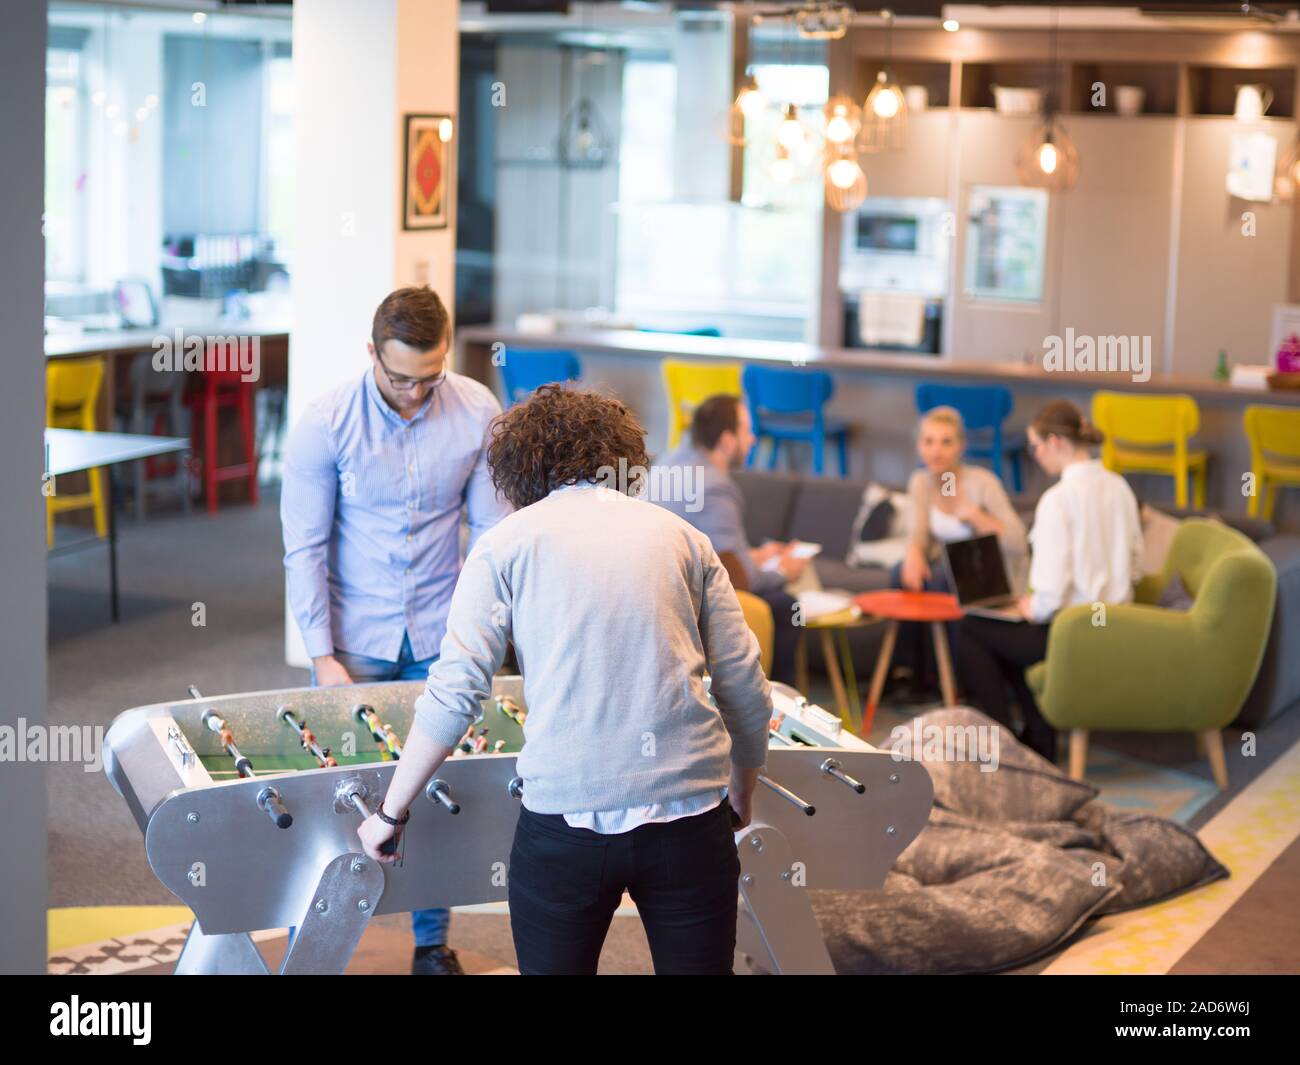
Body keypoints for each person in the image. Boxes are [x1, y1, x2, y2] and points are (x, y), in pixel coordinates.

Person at [357, 385, 772, 976]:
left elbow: (454, 694)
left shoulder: (503, 545)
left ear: (520, 469)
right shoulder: (684, 537)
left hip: (565, 826)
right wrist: (741, 788)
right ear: (624, 459)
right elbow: (745, 687)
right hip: (690, 819)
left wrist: (390, 815)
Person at [281, 285, 511, 975]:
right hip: (353, 637)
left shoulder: (476, 410)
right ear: (372, 354)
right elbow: (305, 549)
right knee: (334, 792)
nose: (415, 393)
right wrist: (322, 655)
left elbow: (492, 535)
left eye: (430, 377)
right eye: (401, 377)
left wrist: (483, 637)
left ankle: (430, 946)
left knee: (439, 794)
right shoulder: (324, 423)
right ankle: (313, 941)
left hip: (441, 635)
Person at [956, 399, 1143, 762]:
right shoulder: (1119, 486)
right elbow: (1136, 564)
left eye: (1035, 446)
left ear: (1055, 441)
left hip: (1070, 632)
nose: (1035, 455)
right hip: (1118, 628)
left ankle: (1005, 748)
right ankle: (1037, 738)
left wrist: (1032, 606)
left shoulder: (1057, 500)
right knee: (1009, 640)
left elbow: (1051, 592)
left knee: (972, 629)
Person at [653, 394, 809, 684]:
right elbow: (742, 579)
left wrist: (755, 555)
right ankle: (780, 704)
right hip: (690, 598)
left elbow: (711, 549)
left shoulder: (667, 461)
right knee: (786, 604)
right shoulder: (716, 486)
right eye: (747, 432)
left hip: (656, 587)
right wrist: (783, 570)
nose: (752, 440)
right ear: (727, 440)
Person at [893, 406, 1026, 695]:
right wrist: (913, 551)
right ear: (919, 446)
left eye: (945, 442)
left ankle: (954, 681)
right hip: (946, 569)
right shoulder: (921, 481)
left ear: (961, 446)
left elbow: (1017, 542)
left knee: (942, 580)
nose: (936, 451)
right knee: (901, 575)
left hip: (985, 574)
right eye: (928, 442)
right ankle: (911, 675)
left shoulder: (983, 482)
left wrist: (978, 516)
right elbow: (918, 532)